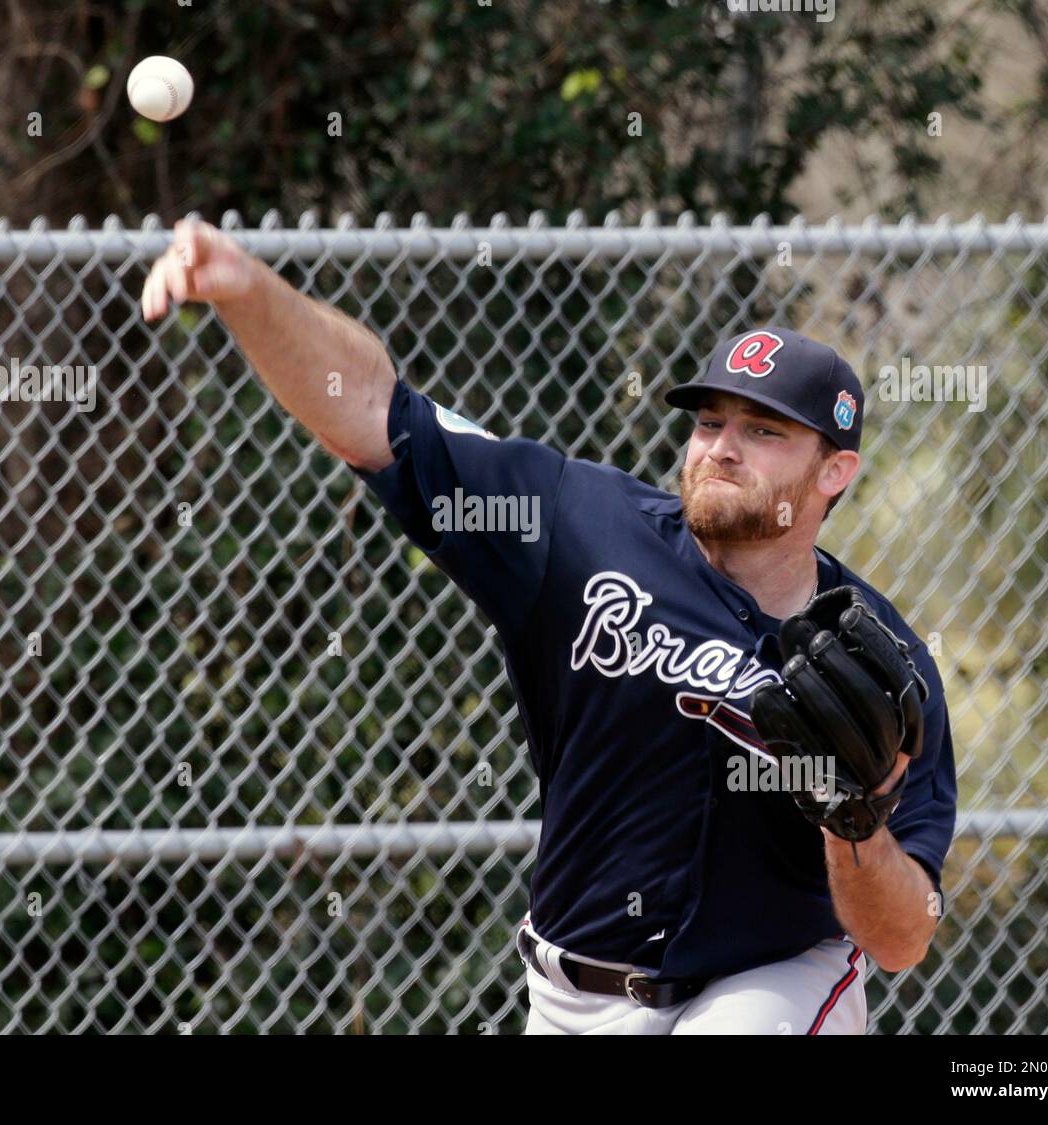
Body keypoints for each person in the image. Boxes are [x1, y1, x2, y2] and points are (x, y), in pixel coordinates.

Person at [141, 220, 958, 1034]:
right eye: (709, 422)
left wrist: (855, 826)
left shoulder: (885, 669)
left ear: (835, 471)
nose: (721, 449)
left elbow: (900, 938)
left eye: (764, 430)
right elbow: (370, 412)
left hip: (771, 980)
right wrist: (249, 289)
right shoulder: (578, 524)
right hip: (575, 993)